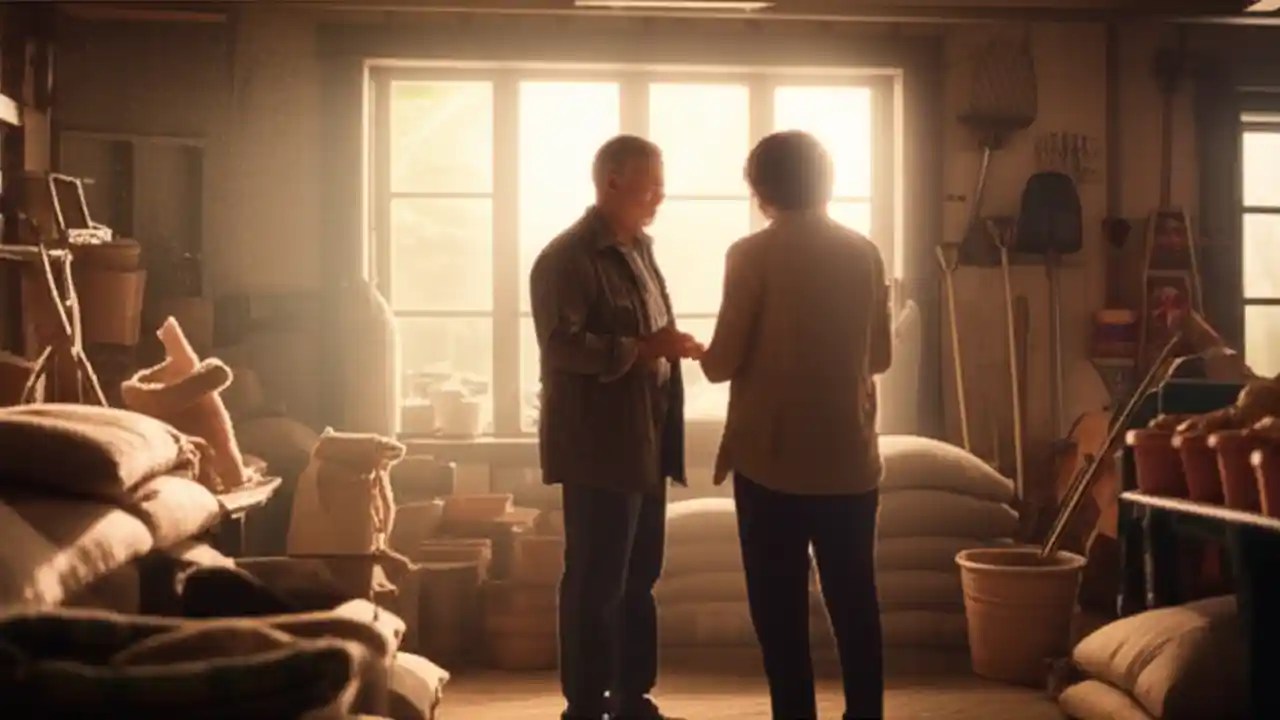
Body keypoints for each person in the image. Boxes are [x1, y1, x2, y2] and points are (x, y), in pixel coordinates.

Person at [695, 131, 894, 720]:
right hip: (850, 461)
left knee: (780, 614)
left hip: (771, 461)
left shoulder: (751, 254)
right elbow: (879, 357)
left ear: (760, 190)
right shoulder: (864, 251)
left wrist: (691, 351)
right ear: (825, 181)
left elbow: (722, 363)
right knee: (856, 604)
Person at [529, 134, 697, 720]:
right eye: (649, 183)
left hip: (646, 441)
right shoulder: (567, 259)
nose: (659, 195)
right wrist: (647, 346)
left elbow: (654, 339)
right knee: (595, 579)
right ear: (610, 183)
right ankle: (586, 700)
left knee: (640, 574)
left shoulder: (641, 252)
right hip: (599, 446)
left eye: (662, 182)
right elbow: (560, 348)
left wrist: (673, 347)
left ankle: (632, 691)